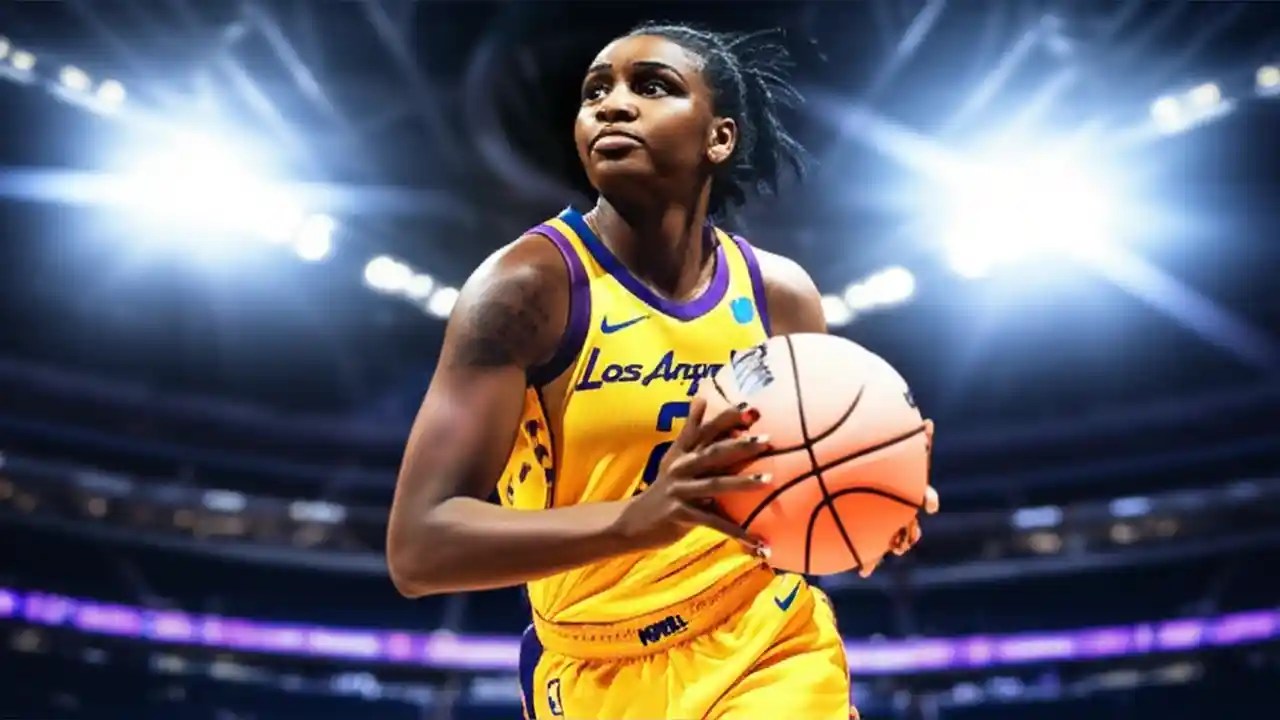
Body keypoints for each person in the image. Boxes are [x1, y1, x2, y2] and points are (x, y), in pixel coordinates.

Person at [387, 22, 939, 720]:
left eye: (653, 87)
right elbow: (418, 549)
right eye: (596, 92)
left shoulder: (779, 294)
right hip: (592, 667)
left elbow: (797, 491)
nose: (612, 105)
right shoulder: (523, 290)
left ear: (720, 138)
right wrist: (635, 522)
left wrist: (862, 500)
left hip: (764, 643)